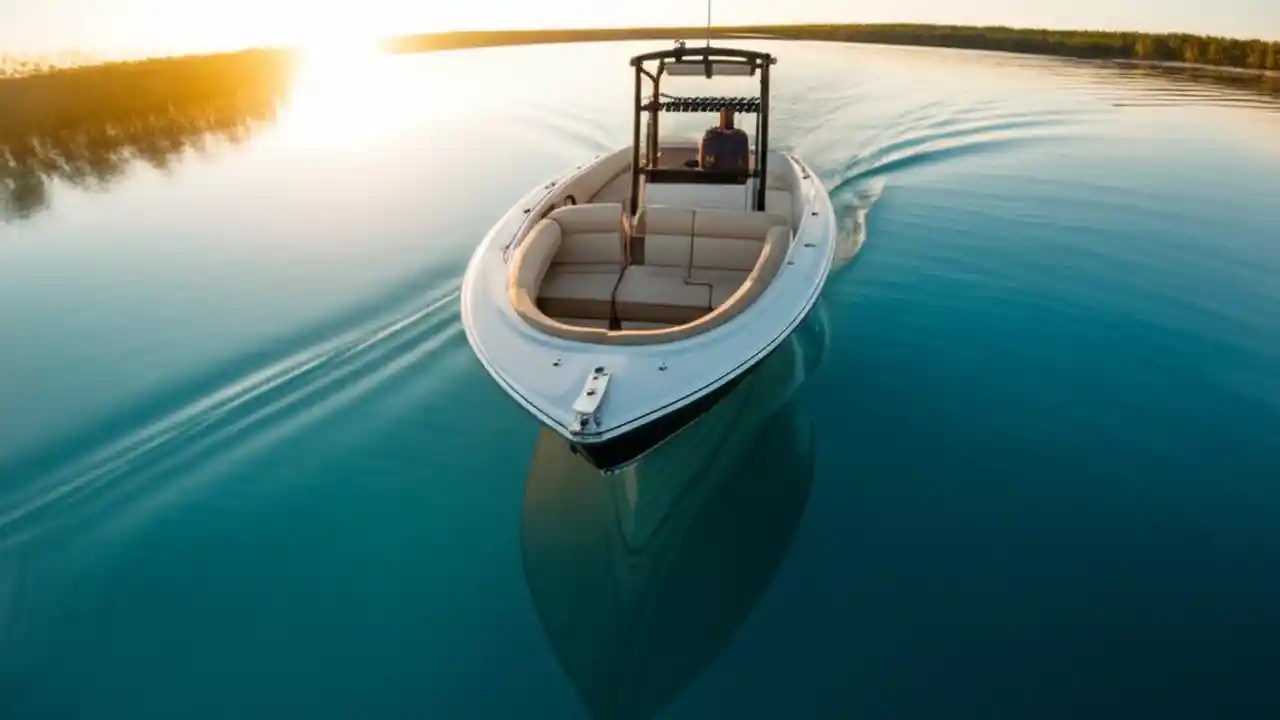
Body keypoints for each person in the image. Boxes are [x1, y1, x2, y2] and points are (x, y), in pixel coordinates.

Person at [698, 108, 749, 172]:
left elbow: (745, 165)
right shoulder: (711, 135)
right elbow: (703, 164)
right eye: (725, 111)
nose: (727, 115)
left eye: (729, 110)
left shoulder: (740, 136)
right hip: (715, 175)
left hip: (733, 175)